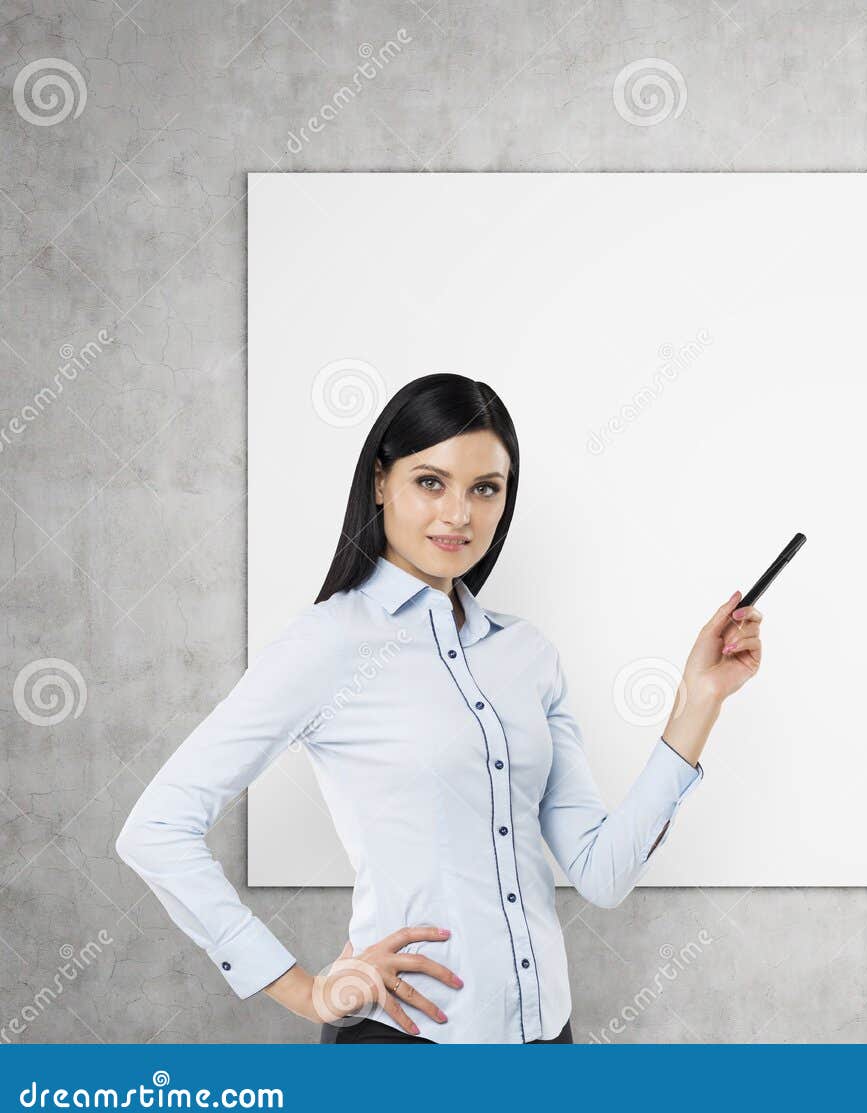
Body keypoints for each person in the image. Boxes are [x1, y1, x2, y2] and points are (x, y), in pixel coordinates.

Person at [115, 373, 764, 1043]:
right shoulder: (328, 643)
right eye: (431, 481)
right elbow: (156, 828)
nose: (459, 514)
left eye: (485, 488)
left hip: (549, 1039)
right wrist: (303, 990)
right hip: (406, 1045)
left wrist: (699, 700)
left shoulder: (527, 655)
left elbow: (601, 873)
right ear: (379, 481)